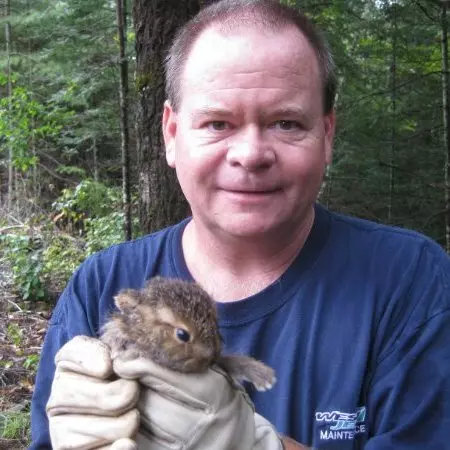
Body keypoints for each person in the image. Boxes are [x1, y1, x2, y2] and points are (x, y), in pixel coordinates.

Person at [30, 0, 450, 449]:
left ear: (327, 136)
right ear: (172, 135)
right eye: (217, 123)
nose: (250, 154)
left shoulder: (410, 280)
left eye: (286, 123)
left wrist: (254, 443)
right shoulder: (99, 285)